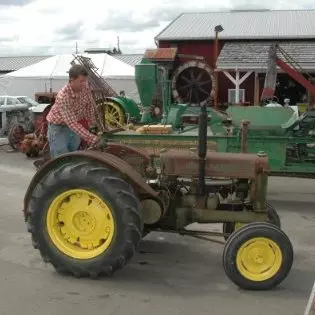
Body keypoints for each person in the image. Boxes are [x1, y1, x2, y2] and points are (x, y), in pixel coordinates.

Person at [46, 64, 99, 158]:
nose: (84, 83)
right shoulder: (63, 96)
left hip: (73, 127)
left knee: (74, 155)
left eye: (85, 81)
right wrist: (93, 139)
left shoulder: (85, 89)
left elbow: (89, 107)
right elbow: (72, 123)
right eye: (81, 81)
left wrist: (93, 126)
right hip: (58, 128)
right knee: (61, 158)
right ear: (71, 80)